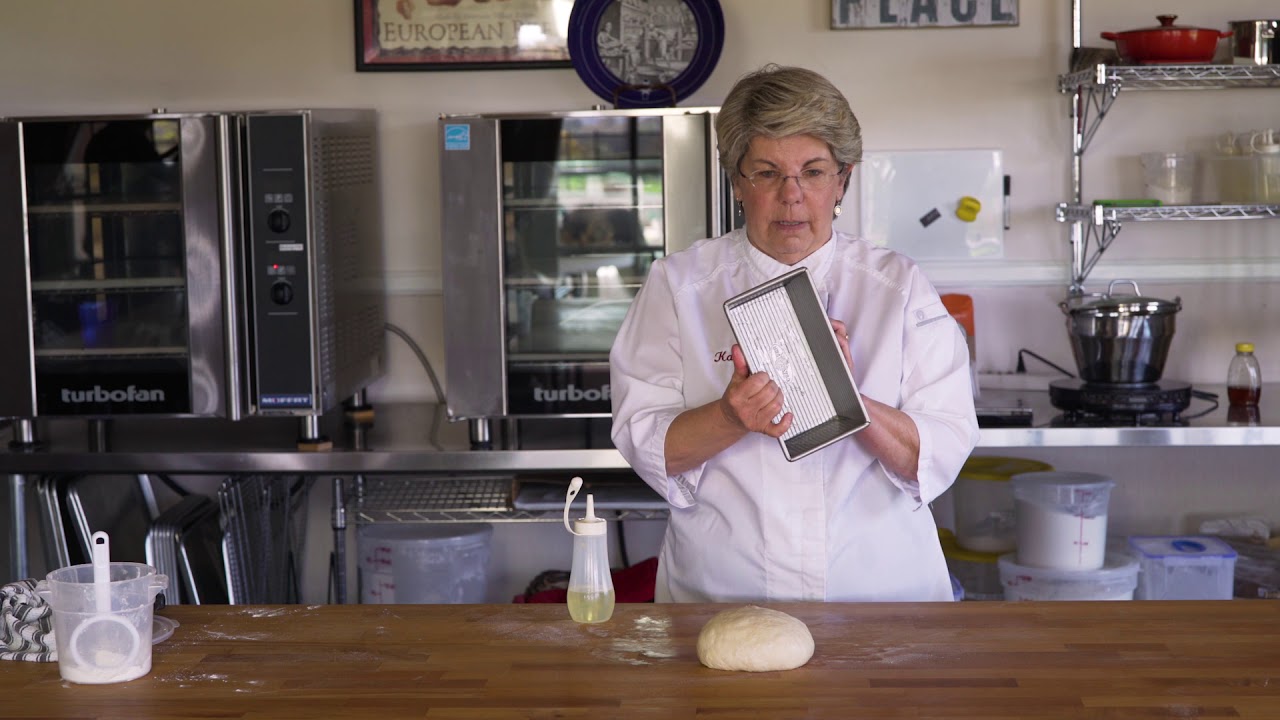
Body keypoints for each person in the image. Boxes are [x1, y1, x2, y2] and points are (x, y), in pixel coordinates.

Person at [609, 64, 979, 603]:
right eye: (766, 172)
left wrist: (847, 399)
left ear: (842, 181)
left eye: (813, 171)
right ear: (737, 181)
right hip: (721, 600)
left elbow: (942, 451)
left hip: (885, 605)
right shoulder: (679, 287)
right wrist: (729, 417)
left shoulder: (897, 288)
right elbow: (645, 445)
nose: (792, 195)